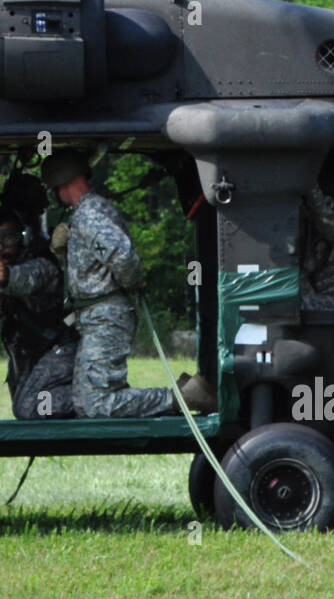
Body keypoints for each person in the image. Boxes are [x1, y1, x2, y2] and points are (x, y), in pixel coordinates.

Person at [39, 149, 216, 417]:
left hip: (105, 315)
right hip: (96, 314)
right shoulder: (86, 214)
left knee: (97, 404)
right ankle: (182, 395)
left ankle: (184, 397)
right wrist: (66, 250)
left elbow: (122, 257)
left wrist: (130, 284)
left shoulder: (89, 215)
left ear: (63, 183)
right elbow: (95, 264)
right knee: (85, 403)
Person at [0, 207, 78, 419]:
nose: (1, 246)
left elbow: (27, 277)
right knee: (30, 409)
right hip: (28, 355)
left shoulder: (40, 264)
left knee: (29, 408)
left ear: (21, 238)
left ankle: (93, 399)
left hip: (60, 349)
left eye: (8, 238)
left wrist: (7, 277)